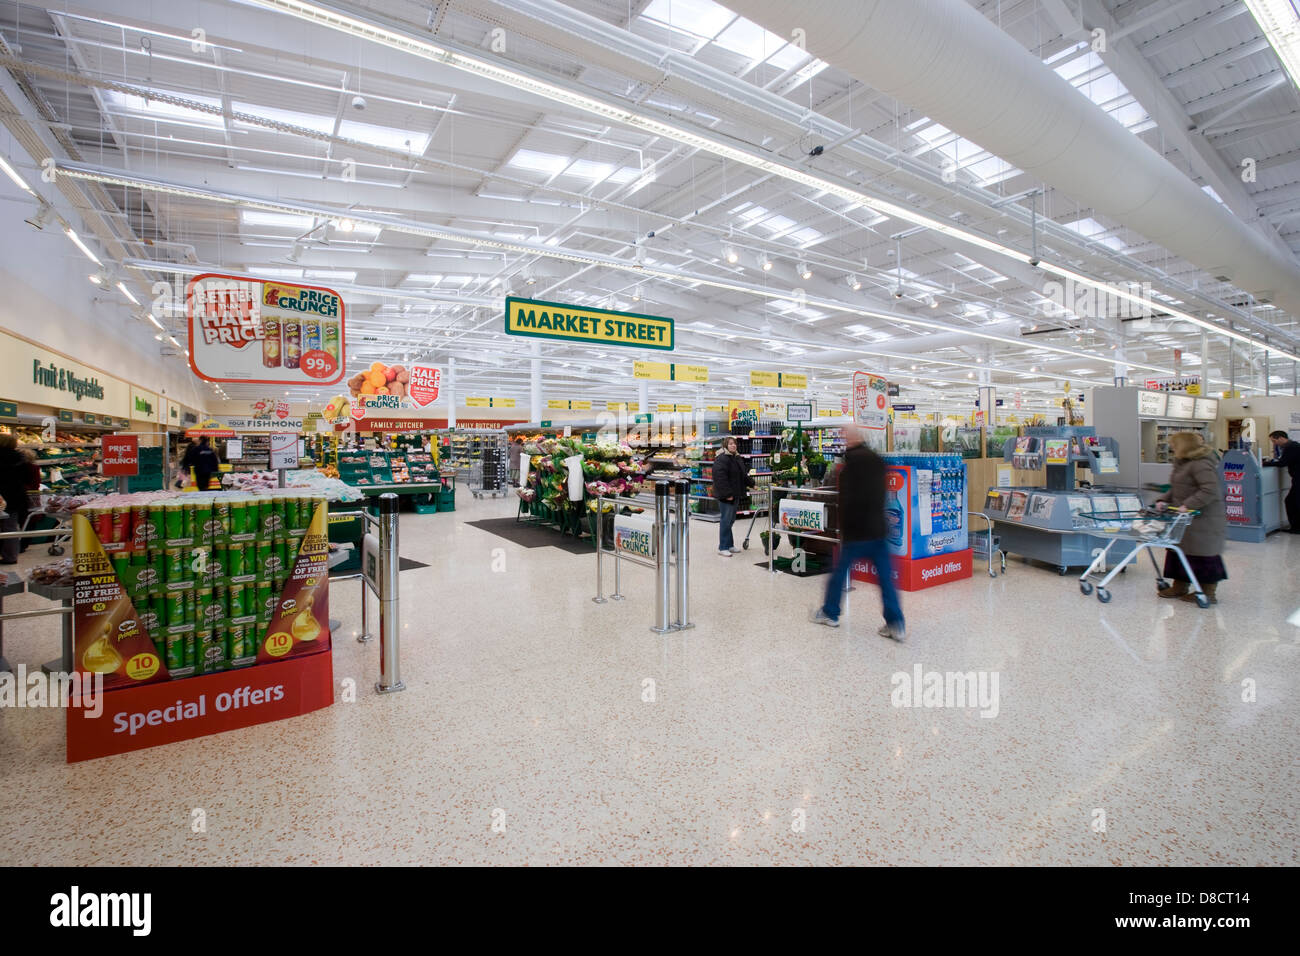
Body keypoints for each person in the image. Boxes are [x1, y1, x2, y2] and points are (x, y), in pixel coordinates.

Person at [811, 423, 904, 640]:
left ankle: (830, 612)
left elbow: (848, 501)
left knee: (839, 574)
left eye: (845, 437)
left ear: (851, 439)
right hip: (878, 530)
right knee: (886, 580)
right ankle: (896, 623)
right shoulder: (878, 461)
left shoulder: (849, 466)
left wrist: (843, 528)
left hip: (856, 533)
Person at [1155, 431, 1227, 604]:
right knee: (1178, 552)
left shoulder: (1201, 463)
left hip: (1203, 519)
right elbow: (1177, 487)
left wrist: (1188, 505)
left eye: (1173, 444)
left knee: (1202, 555)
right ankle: (1179, 585)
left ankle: (1207, 592)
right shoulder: (1183, 463)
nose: (1171, 447)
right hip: (1183, 519)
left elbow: (1209, 490)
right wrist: (1162, 500)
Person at [0, 433, 39, 564]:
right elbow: (27, 479)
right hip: (16, 496)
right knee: (10, 527)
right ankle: (11, 556)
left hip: (2, 495)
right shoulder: (21, 458)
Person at [711, 436, 753, 556]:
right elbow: (720, 478)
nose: (733, 446)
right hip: (727, 495)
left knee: (731, 520)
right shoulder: (722, 459)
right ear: (725, 446)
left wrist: (752, 484)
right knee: (725, 520)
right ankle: (722, 547)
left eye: (734, 444)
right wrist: (727, 494)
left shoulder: (736, 458)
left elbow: (742, 475)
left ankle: (729, 545)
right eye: (730, 444)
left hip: (735, 494)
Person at [1262, 429, 1299, 533]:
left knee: (1292, 502)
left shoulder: (1291, 447)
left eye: (1274, 441)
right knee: (1292, 501)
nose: (1274, 444)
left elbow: (1282, 463)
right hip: (1296, 478)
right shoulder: (1294, 445)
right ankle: (1296, 527)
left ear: (1281, 438)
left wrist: (1264, 464)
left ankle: (1296, 528)